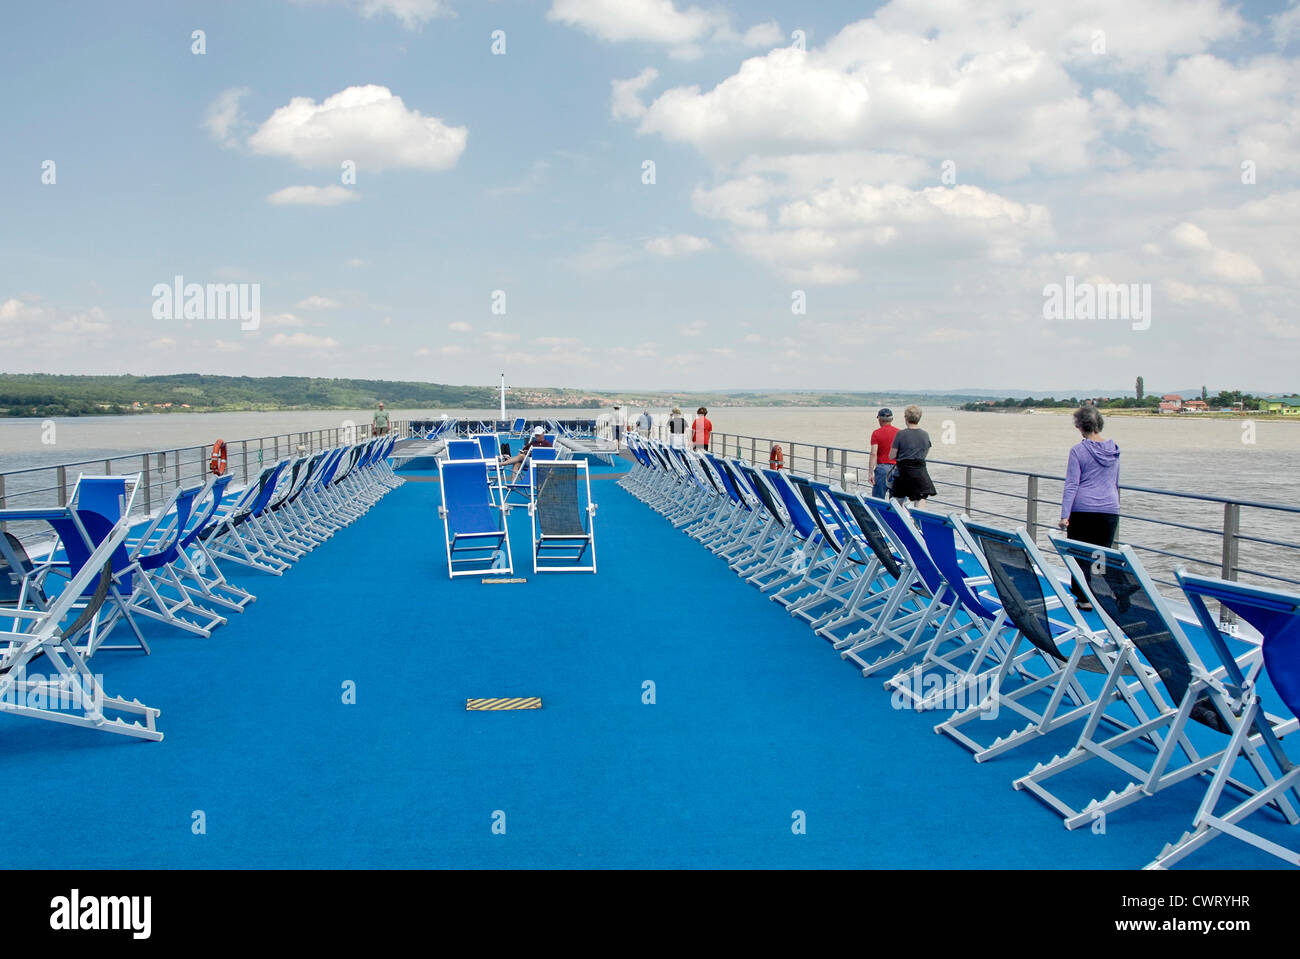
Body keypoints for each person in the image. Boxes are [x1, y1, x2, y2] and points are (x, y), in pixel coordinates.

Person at [1058, 406, 1121, 611]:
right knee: (1101, 555)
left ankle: (1083, 598)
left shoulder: (1078, 451)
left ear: (1079, 426)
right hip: (1110, 509)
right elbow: (1115, 482)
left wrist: (1064, 515)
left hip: (1083, 510)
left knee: (1079, 556)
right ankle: (1101, 595)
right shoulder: (1114, 450)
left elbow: (1072, 484)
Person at [889, 405, 936, 503]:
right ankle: (917, 518)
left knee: (898, 499)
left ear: (906, 418)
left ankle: (900, 517)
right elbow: (925, 451)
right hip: (920, 471)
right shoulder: (925, 434)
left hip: (903, 472)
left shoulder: (900, 434)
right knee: (920, 498)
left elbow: (892, 455)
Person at [868, 408, 899, 499]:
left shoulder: (876, 433)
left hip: (882, 469)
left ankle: (877, 513)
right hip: (897, 468)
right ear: (892, 419)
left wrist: (870, 472)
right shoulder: (899, 433)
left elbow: (874, 453)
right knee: (897, 500)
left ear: (879, 419)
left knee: (878, 499)